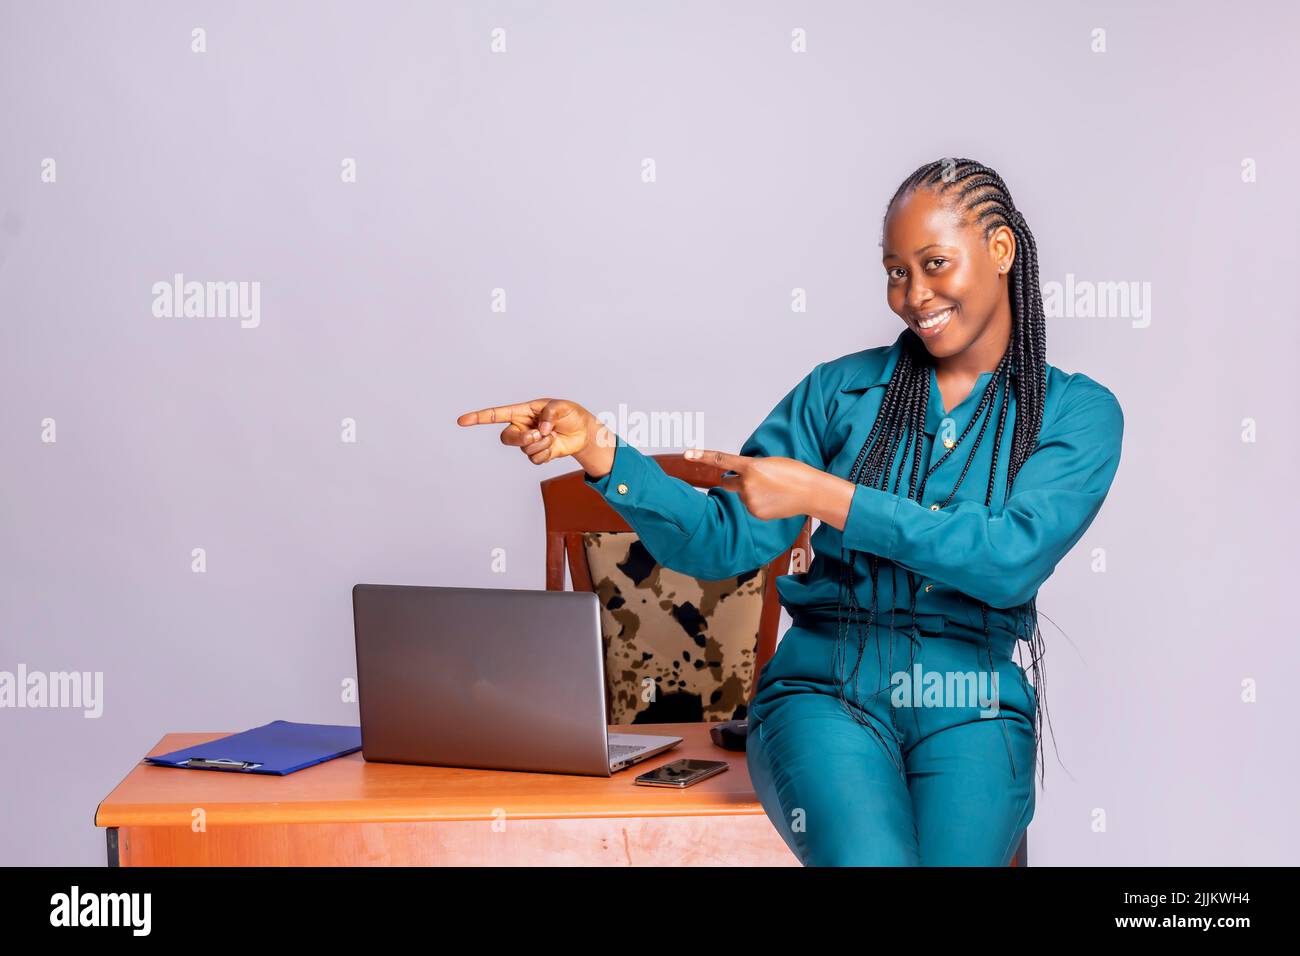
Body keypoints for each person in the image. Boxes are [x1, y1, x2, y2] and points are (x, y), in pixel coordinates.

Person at [457, 158, 1124, 866]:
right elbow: (720, 541)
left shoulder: (1077, 413)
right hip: (827, 693)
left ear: (1000, 249)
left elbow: (1007, 558)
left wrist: (823, 496)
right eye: (895, 270)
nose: (912, 294)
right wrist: (600, 451)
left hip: (974, 700)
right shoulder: (838, 393)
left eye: (934, 263)